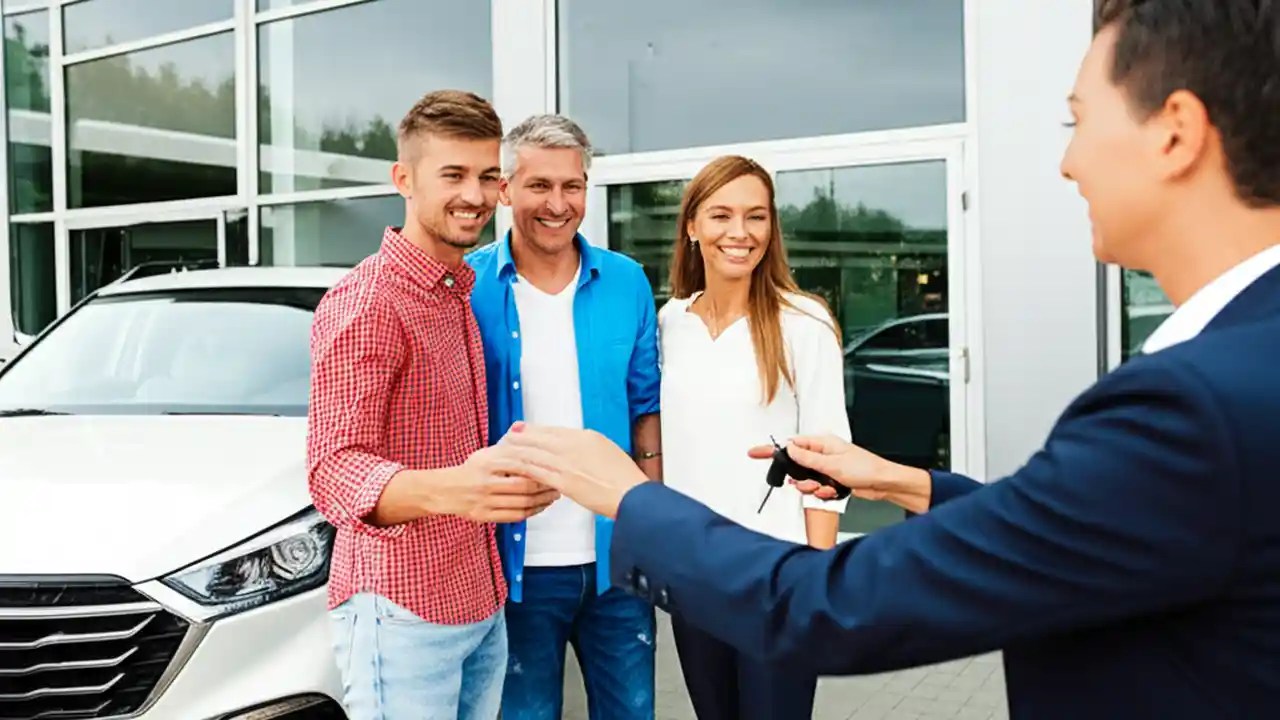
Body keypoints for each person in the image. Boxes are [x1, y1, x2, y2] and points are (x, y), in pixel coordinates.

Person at [489, 2, 1280, 717]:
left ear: (1174, 130)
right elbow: (1056, 525)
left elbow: (836, 607)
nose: (1067, 164)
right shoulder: (1235, 368)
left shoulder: (1191, 409)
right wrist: (896, 479)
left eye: (1078, 122)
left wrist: (632, 499)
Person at [306, 90, 558, 720]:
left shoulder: (456, 290)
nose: (474, 195)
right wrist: (457, 489)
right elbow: (333, 470)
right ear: (404, 180)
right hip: (401, 615)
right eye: (452, 175)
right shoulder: (368, 302)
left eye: (486, 175)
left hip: (478, 600)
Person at [466, 114, 662, 720]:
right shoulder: (467, 285)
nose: (558, 203)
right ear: (505, 189)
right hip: (513, 569)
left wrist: (654, 518)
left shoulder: (626, 281)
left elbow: (645, 404)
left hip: (617, 563)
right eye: (539, 186)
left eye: (571, 186)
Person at [656, 154, 849, 720]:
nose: (740, 233)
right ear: (691, 226)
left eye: (756, 217)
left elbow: (829, 462)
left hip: (778, 577)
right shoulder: (671, 322)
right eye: (721, 215)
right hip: (694, 572)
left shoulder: (804, 324)